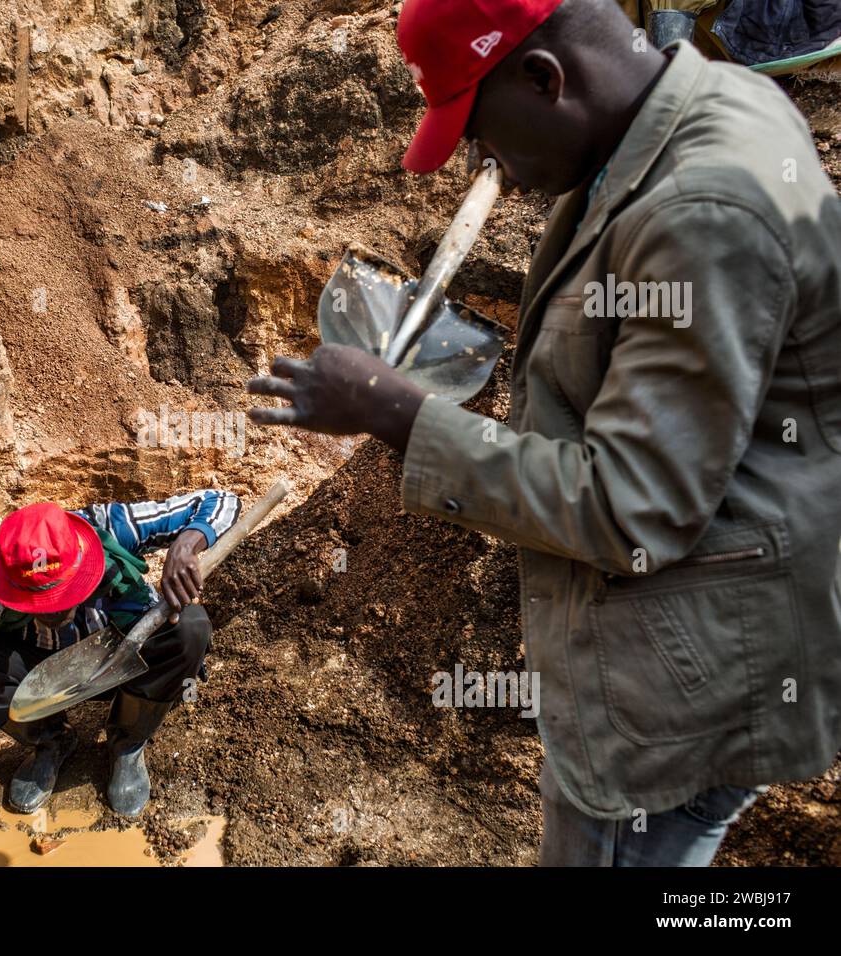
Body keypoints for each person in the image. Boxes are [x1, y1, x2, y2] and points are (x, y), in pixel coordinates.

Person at [248, 0, 841, 865]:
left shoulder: (700, 208)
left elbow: (631, 508)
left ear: (544, 77)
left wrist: (398, 414)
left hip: (676, 701)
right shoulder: (684, 117)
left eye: (483, 139)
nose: (493, 171)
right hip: (711, 637)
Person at [0, 490, 239, 866]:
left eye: (61, 598)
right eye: (35, 605)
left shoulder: (109, 528)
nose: (50, 613)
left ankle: (127, 741)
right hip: (41, 677)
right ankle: (51, 740)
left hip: (120, 657)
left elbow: (222, 501)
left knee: (189, 627)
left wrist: (186, 544)